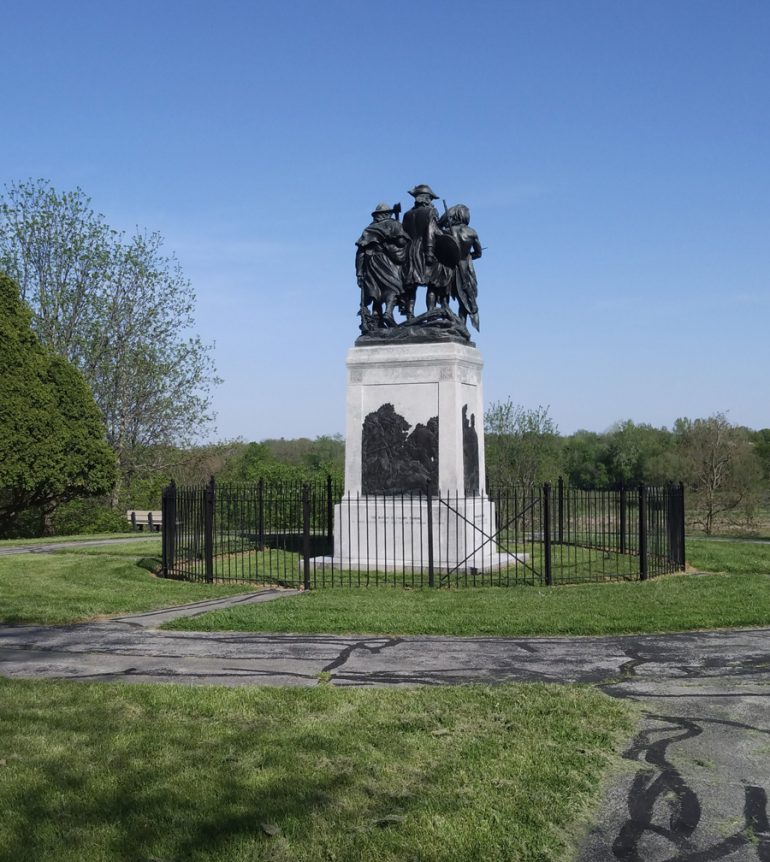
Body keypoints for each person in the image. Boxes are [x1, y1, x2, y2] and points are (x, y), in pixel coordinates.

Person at [355, 203, 409, 330]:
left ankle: (376, 316)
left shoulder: (369, 229)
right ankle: (388, 313)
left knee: (375, 290)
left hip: (370, 262)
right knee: (394, 286)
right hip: (386, 260)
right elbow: (402, 242)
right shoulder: (393, 224)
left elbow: (360, 253)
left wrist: (359, 272)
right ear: (387, 214)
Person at [401, 184, 441, 318]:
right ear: (426, 198)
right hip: (423, 250)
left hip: (408, 251)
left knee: (411, 284)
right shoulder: (431, 212)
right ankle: (430, 313)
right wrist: (429, 252)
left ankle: (409, 314)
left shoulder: (407, 215)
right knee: (432, 282)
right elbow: (431, 232)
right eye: (430, 198)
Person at [442, 204, 482, 331]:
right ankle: (463, 327)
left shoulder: (446, 231)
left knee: (445, 297)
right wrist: (469, 255)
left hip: (448, 268)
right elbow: (479, 253)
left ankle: (446, 323)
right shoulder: (471, 232)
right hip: (465, 268)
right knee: (463, 301)